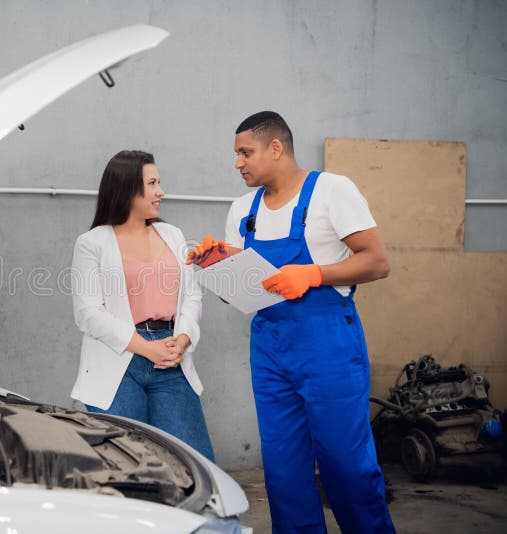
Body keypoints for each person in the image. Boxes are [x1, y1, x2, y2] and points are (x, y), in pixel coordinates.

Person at [188, 112, 395, 532]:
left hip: (329, 346)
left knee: (346, 465)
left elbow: (377, 262)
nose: (238, 163)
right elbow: (240, 295)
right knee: (284, 469)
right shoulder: (242, 210)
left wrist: (314, 273)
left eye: (245, 152)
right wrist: (215, 264)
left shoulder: (332, 191)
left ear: (276, 148)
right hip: (269, 347)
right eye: (236, 154)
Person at [70, 149, 215, 460]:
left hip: (171, 357)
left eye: (158, 182)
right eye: (152, 183)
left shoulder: (172, 235)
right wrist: (145, 347)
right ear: (126, 189)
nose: (160, 191)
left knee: (194, 461)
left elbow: (191, 295)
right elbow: (88, 313)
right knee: (126, 464)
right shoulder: (92, 243)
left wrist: (184, 339)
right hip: (118, 361)